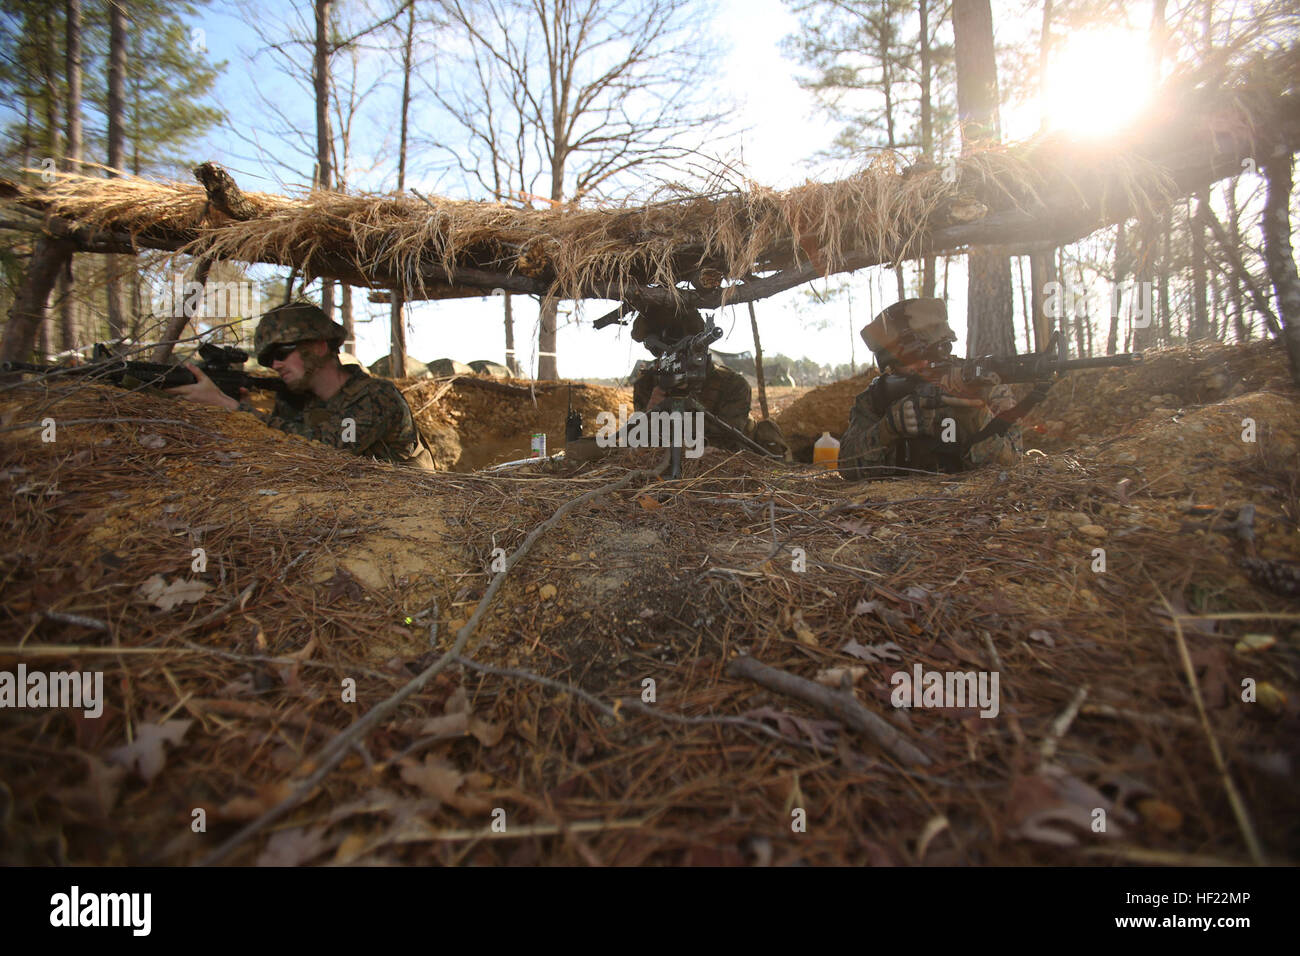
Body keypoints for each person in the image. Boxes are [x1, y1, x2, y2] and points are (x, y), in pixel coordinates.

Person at [169, 302, 435, 469]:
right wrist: (243, 413)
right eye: (269, 359)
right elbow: (281, 452)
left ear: (319, 347)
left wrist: (231, 407)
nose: (275, 365)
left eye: (282, 353)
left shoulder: (376, 397)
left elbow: (327, 450)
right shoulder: (303, 401)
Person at [838, 298, 1021, 480]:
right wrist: (886, 429)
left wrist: (976, 417)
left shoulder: (984, 385)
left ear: (945, 348)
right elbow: (847, 467)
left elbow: (1013, 463)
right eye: (909, 358)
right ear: (891, 365)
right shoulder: (877, 398)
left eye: (932, 352)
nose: (924, 363)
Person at [628, 301, 787, 456]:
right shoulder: (647, 385)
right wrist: (650, 414)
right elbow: (639, 444)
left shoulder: (732, 384)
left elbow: (728, 442)